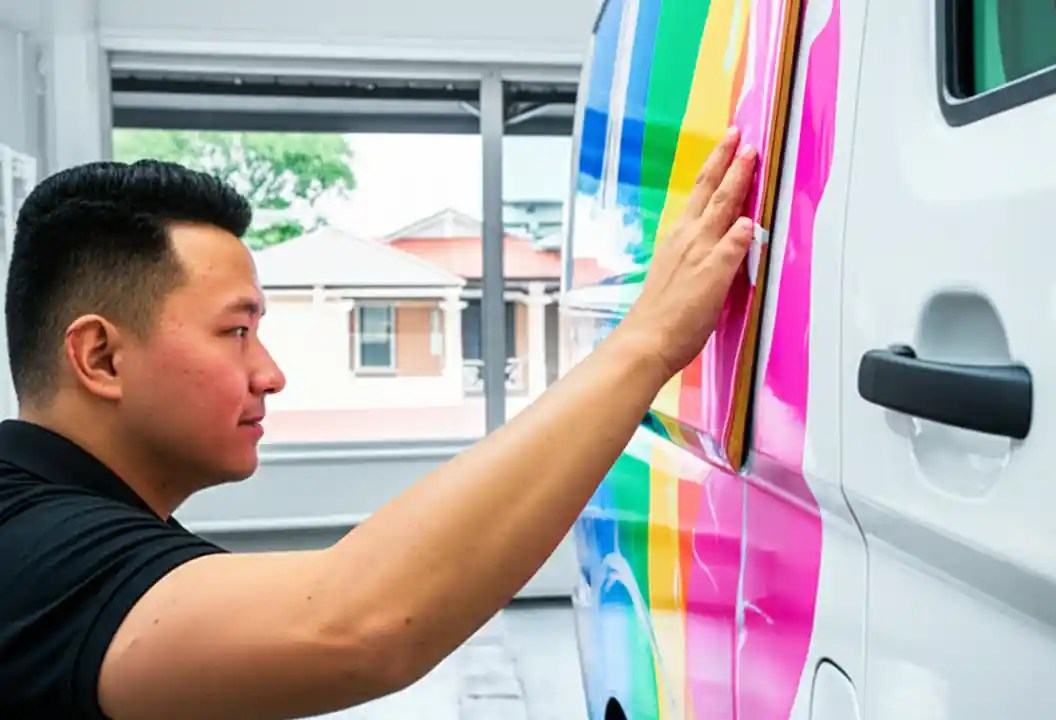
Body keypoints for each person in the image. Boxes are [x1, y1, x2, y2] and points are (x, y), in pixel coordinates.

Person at [0, 127, 757, 720]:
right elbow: (352, 623)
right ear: (99, 356)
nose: (270, 372)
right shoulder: (32, 551)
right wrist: (650, 340)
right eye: (236, 332)